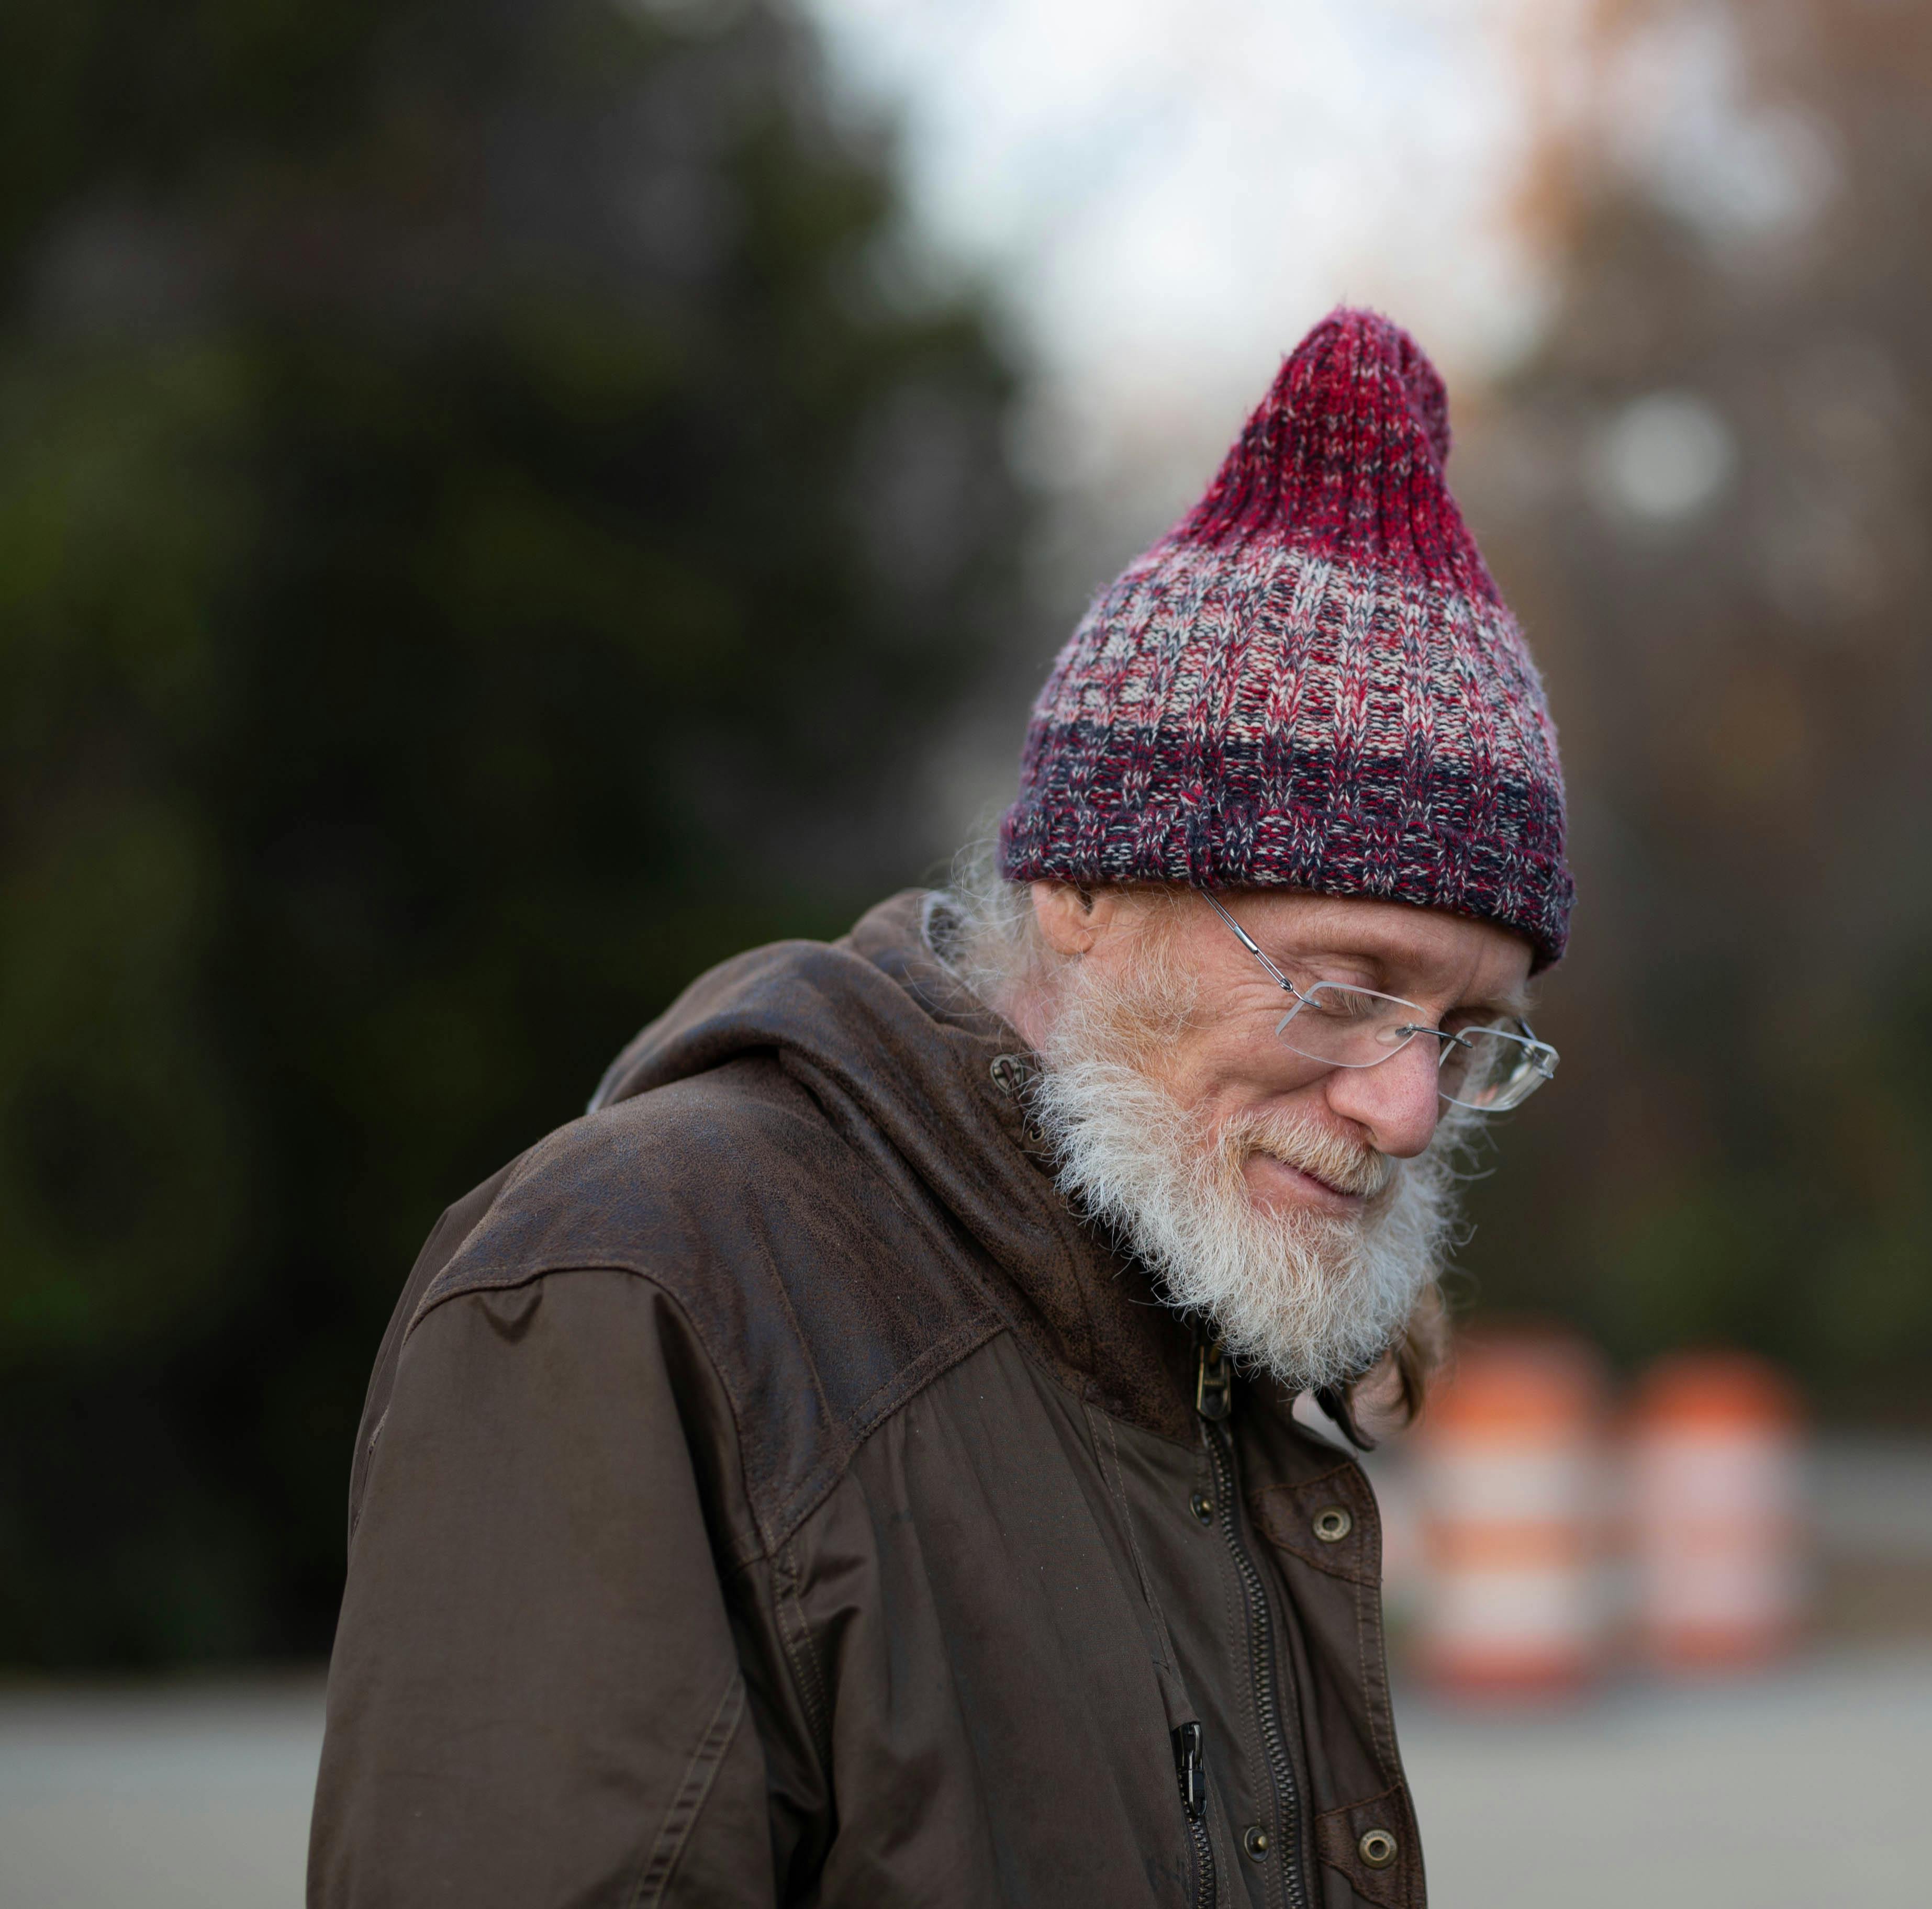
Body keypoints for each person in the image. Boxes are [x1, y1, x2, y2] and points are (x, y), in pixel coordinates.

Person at [308, 307, 1572, 1908]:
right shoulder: (637, 1291)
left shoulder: (1192, 1336)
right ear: (1083, 893)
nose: (1406, 1106)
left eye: (1470, 1033)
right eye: (1343, 983)